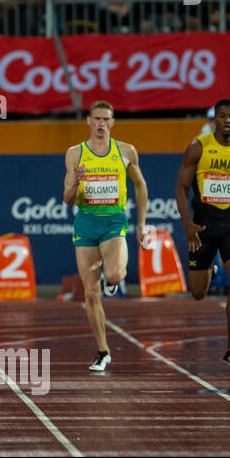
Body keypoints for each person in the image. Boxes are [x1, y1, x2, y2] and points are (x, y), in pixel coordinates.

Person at [62, 101, 149, 373]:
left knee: (113, 276)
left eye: (106, 119)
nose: (101, 123)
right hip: (86, 223)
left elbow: (140, 185)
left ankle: (113, 280)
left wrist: (141, 224)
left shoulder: (126, 151)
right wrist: (76, 182)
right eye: (97, 118)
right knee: (90, 295)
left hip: (114, 221)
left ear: (112, 122)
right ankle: (102, 351)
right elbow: (67, 199)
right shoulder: (75, 153)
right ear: (88, 121)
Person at [175, 99, 230, 367]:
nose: (227, 120)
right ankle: (210, 269)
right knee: (198, 293)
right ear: (215, 120)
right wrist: (188, 225)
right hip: (203, 225)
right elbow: (181, 187)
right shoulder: (198, 147)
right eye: (222, 116)